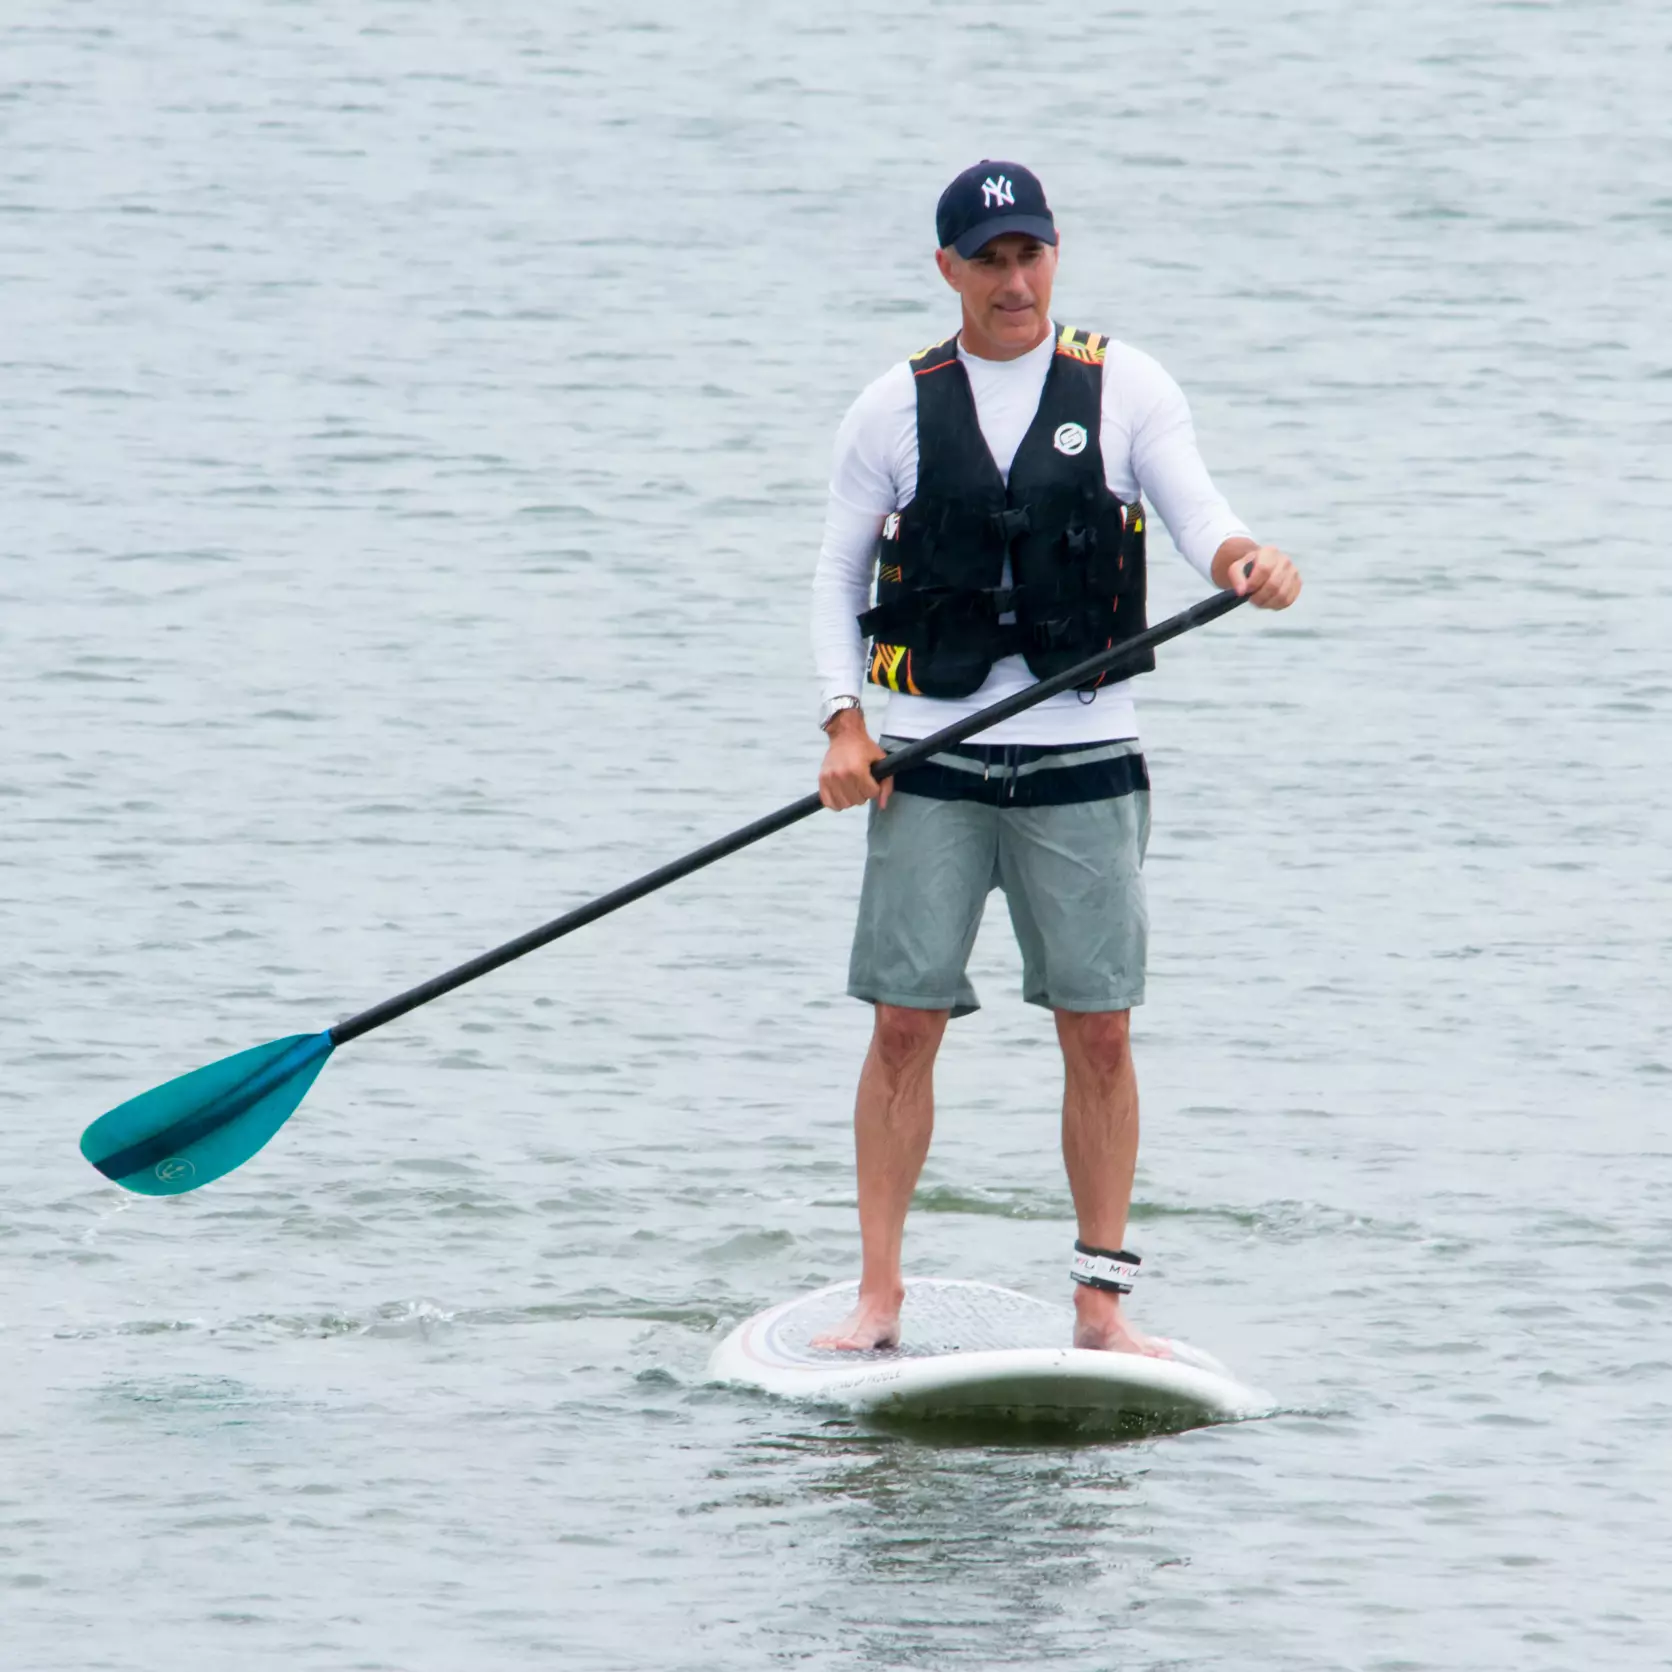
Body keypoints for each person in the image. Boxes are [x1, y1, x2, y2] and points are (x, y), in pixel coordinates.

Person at [809, 160, 1302, 1355]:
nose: (1013, 279)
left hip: (1085, 759)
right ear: (948, 270)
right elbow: (833, 578)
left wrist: (1245, 560)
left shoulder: (1127, 385)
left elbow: (1197, 516)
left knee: (1101, 1031)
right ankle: (880, 1296)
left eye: (1029, 254)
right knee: (903, 1026)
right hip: (931, 758)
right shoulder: (889, 406)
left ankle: (1099, 1302)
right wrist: (843, 720)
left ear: (1054, 255)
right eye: (988, 259)